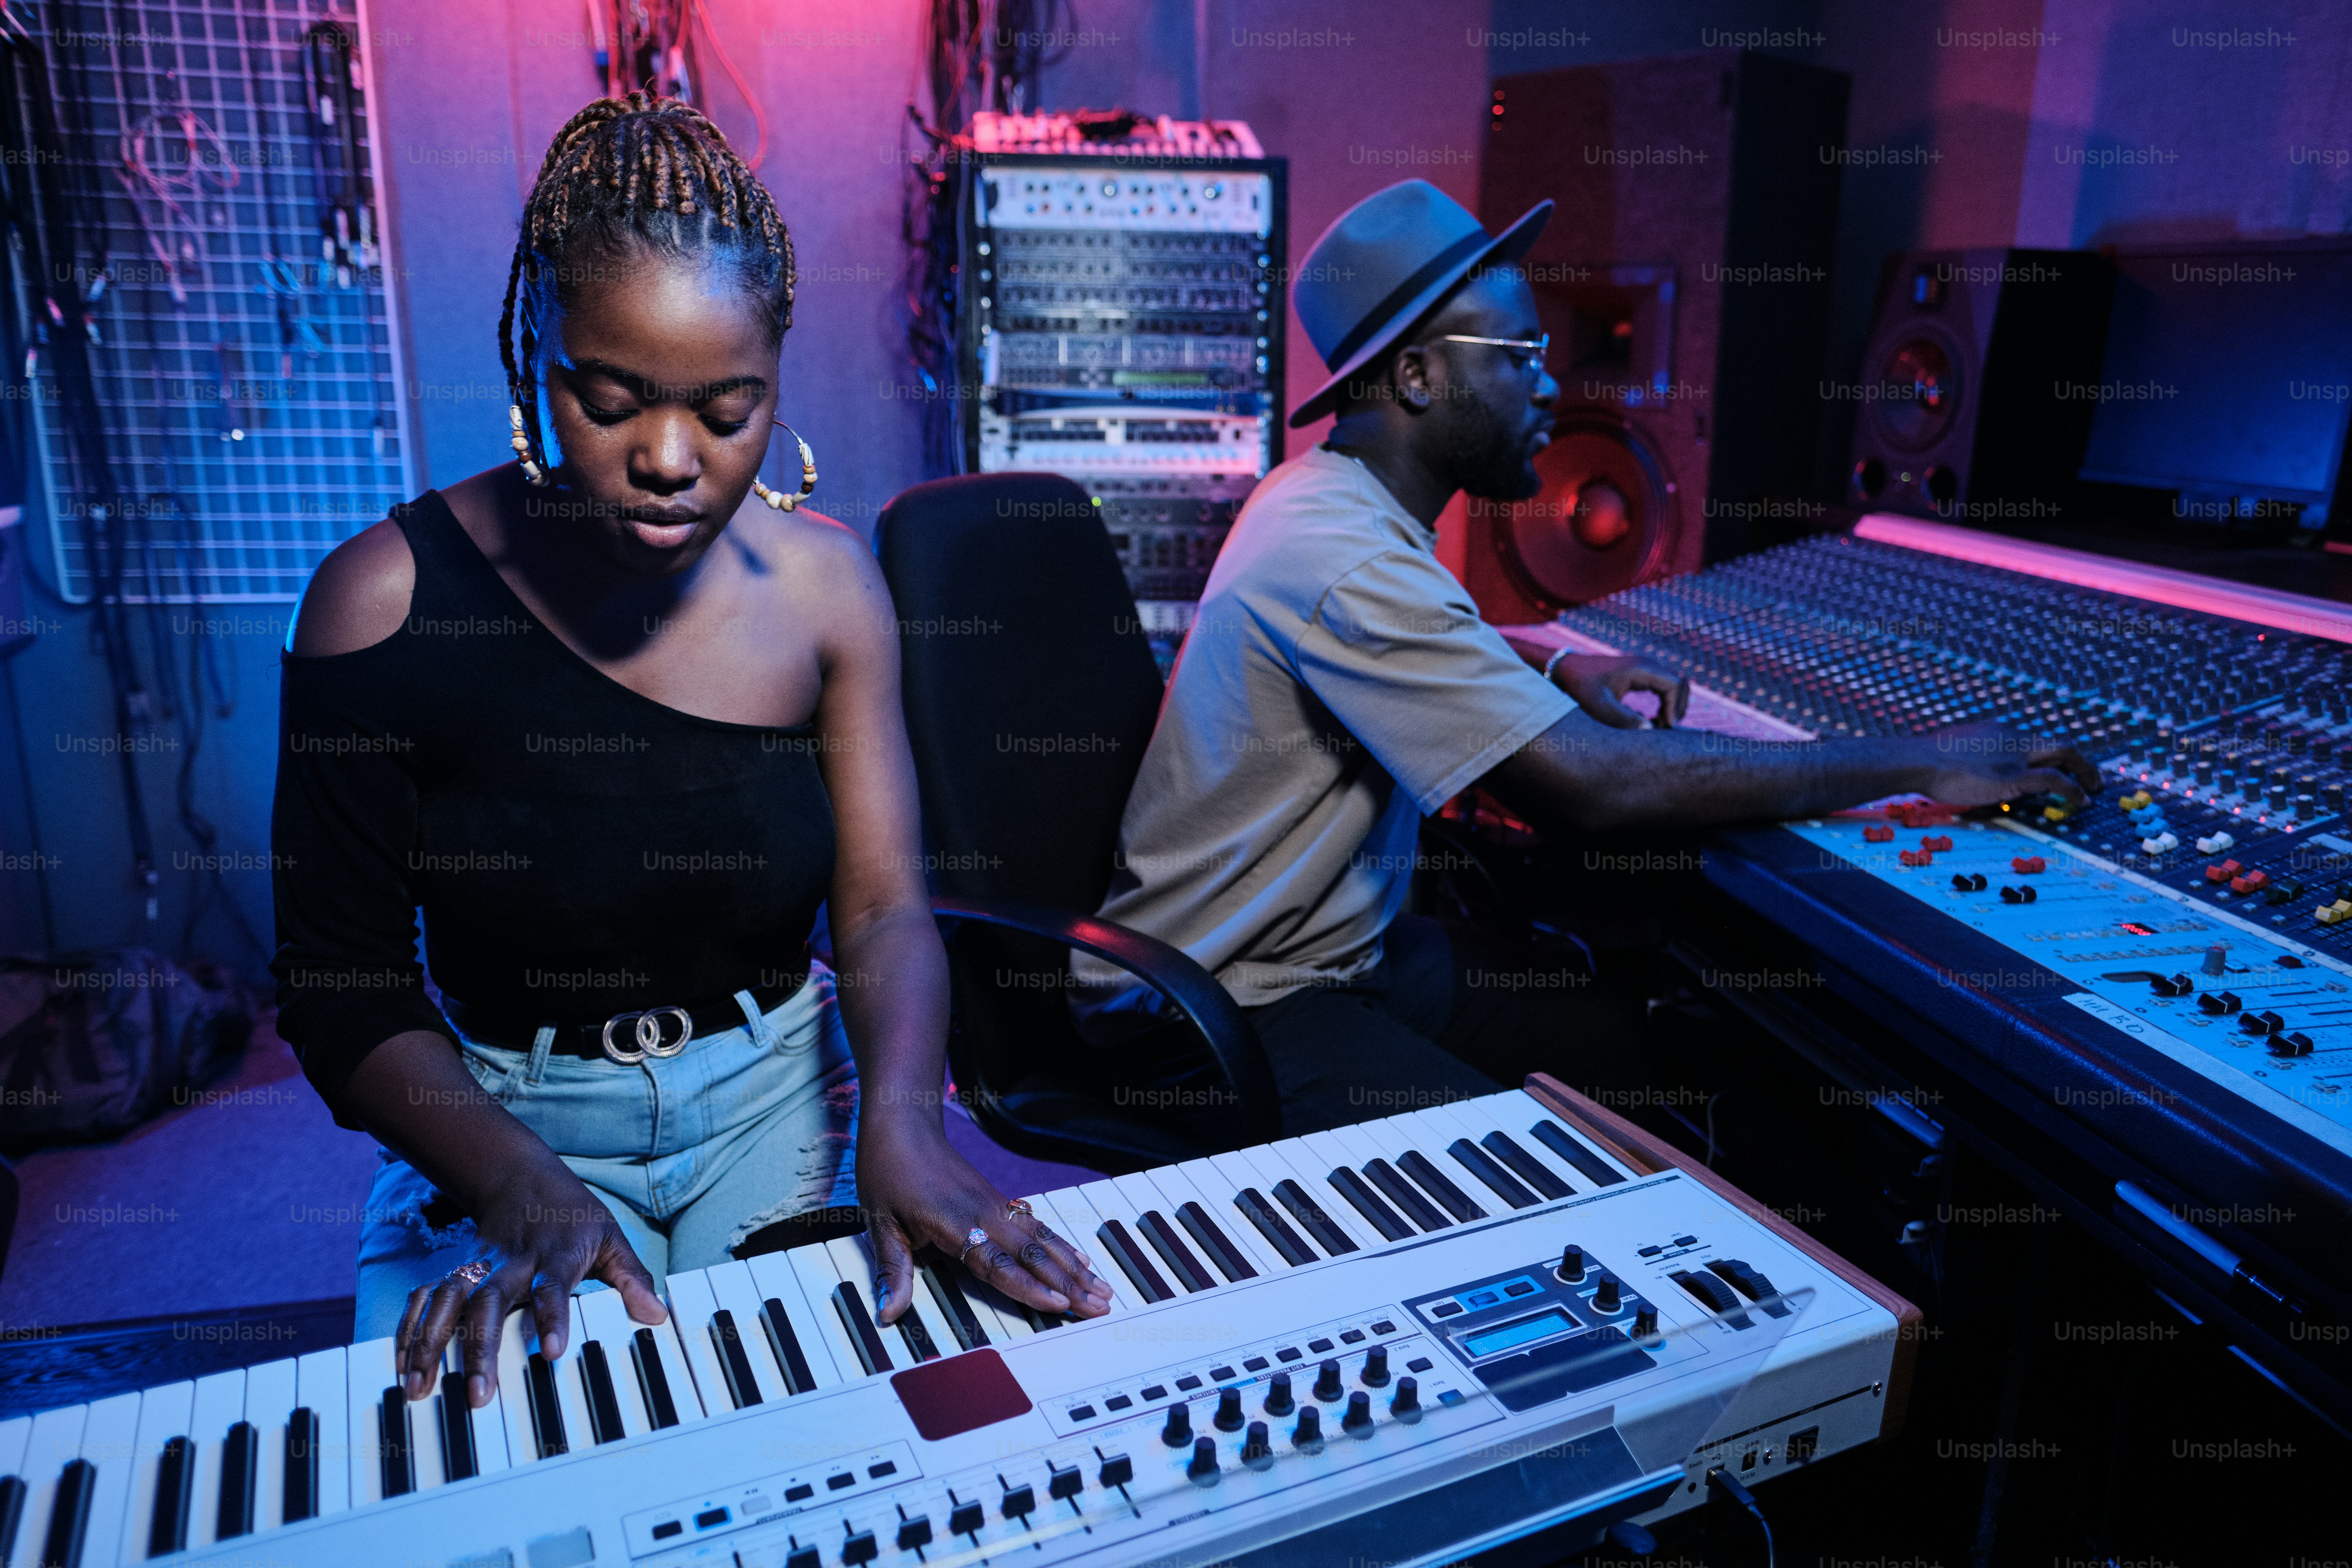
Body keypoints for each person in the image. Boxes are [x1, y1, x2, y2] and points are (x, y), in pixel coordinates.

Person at [271, 92, 1110, 1413]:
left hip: (783, 1093)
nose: (670, 460)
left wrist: (905, 1126)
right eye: (607, 402)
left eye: (729, 412)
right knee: (479, 1475)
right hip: (505, 1119)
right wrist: (512, 1180)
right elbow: (338, 987)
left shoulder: (830, 590)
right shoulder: (379, 602)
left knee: (882, 1439)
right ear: (531, 356)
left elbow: (886, 910)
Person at [1069, 179, 2098, 1135]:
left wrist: (1553, 671)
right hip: (1211, 1006)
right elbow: (1593, 790)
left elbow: (1411, 644)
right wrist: (1915, 762)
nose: (1551, 386)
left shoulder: (1329, 502)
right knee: (1525, 1195)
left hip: (1325, 956)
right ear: (1422, 376)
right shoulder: (1338, 552)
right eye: (1517, 357)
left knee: (1637, 1057)